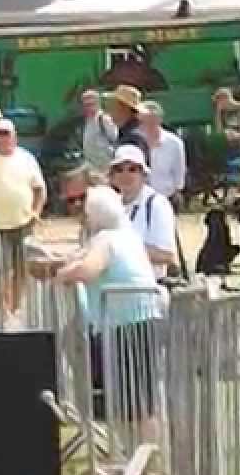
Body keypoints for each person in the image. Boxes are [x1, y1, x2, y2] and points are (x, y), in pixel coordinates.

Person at [55, 185, 162, 436]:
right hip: (142, 319)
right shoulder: (128, 237)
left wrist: (63, 275)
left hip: (124, 325)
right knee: (142, 401)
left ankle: (139, 457)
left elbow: (88, 269)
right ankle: (146, 456)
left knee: (132, 404)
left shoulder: (106, 240)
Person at [0, 118, 46, 318]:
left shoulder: (26, 158)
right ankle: (4, 309)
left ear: (14, 136)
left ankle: (17, 307)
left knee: (21, 269)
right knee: (1, 269)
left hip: (23, 222)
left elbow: (40, 189)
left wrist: (36, 212)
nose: (2, 137)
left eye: (6, 133)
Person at [108, 145, 176, 278]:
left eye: (132, 169)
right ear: (112, 176)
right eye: (119, 170)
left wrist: (120, 250)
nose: (125, 175)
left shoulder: (156, 204)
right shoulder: (111, 204)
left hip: (149, 287)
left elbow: (167, 255)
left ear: (143, 175)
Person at [136, 100, 187, 205]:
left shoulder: (174, 142)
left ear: (159, 119)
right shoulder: (133, 140)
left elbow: (179, 169)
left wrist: (178, 190)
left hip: (166, 196)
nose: (148, 122)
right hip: (139, 197)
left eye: (152, 118)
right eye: (145, 118)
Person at [80, 89, 118, 172]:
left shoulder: (104, 119)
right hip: (93, 168)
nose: (88, 107)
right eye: (86, 105)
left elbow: (116, 140)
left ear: (97, 103)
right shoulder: (87, 122)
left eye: (91, 104)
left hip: (107, 167)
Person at [107, 85, 149, 159]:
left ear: (123, 107)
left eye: (112, 105)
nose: (109, 111)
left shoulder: (132, 137)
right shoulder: (130, 132)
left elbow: (128, 167)